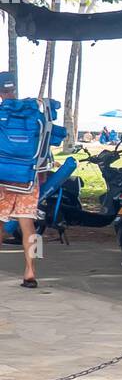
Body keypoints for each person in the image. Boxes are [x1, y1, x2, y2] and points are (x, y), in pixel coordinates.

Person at [0, 71, 41, 287]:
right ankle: (31, 272)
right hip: (28, 178)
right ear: (13, 88)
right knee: (29, 226)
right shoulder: (33, 113)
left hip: (3, 177)